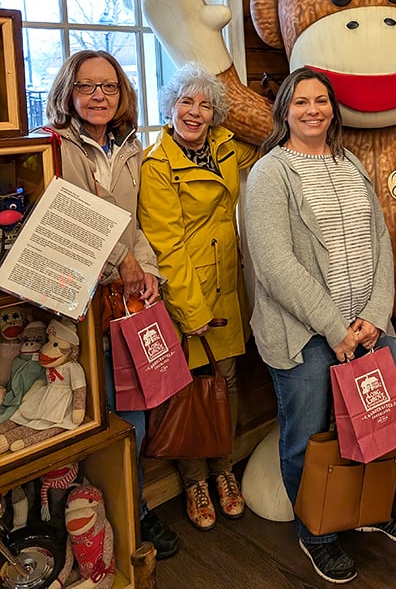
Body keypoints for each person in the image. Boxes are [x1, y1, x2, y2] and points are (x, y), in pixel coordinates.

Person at [245, 66, 396, 585]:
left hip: (368, 325)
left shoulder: (350, 163)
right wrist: (332, 326)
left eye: (321, 101)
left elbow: (381, 244)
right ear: (285, 111)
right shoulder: (271, 173)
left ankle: (376, 508)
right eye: (300, 102)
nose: (312, 110)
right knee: (307, 433)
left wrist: (375, 313)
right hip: (305, 333)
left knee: (381, 423)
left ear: (333, 108)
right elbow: (275, 263)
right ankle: (317, 532)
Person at [44, 50, 179, 559]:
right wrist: (124, 263)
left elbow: (132, 222)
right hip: (77, 302)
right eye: (87, 86)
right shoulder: (55, 145)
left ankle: (134, 511)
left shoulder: (129, 148)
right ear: (69, 92)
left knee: (134, 411)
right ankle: (80, 526)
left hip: (125, 301)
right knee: (85, 414)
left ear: (121, 93)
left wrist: (148, 275)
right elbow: (71, 220)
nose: (98, 95)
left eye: (109, 87)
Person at [138, 63, 258, 531]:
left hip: (227, 283)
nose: (195, 111)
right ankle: (193, 480)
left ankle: (222, 469)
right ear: (169, 108)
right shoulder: (157, 165)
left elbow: (270, 136)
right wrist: (192, 312)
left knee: (224, 384)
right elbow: (165, 245)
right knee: (186, 390)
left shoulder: (227, 149)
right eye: (186, 102)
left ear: (214, 114)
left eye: (205, 104)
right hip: (185, 293)